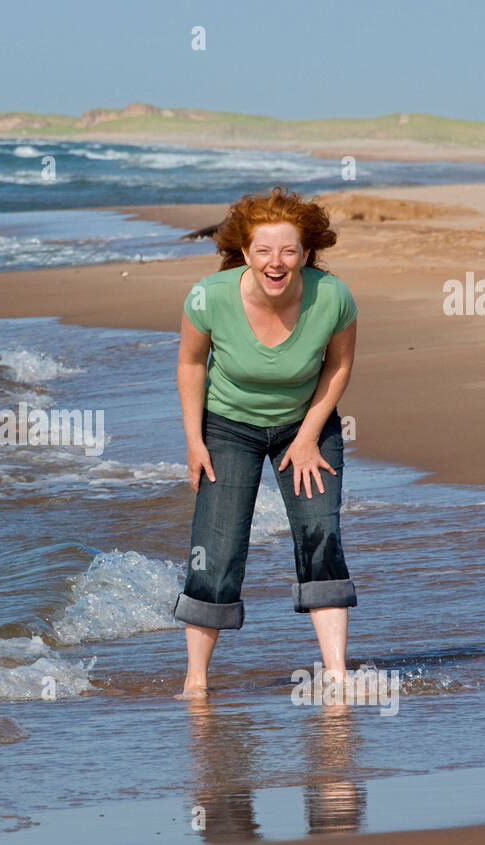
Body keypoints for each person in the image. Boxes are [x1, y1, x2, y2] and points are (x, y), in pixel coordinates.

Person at [174, 186, 358, 699]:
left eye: (288, 251)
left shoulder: (333, 297)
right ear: (245, 251)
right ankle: (196, 682)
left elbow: (339, 367)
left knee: (321, 532)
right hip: (227, 426)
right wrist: (195, 441)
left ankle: (337, 675)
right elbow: (190, 365)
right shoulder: (208, 297)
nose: (275, 263)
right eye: (263, 251)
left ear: (305, 253)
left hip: (308, 422)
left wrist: (305, 438)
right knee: (216, 548)